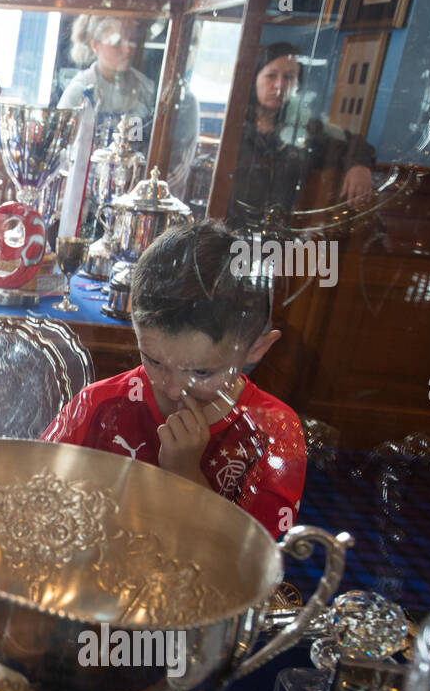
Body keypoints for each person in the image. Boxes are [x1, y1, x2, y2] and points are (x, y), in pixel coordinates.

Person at [41, 220, 306, 537]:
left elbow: (250, 561)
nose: (172, 388)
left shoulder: (274, 433)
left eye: (201, 372)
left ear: (256, 348)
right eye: (153, 360)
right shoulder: (98, 405)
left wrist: (185, 473)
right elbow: (35, 492)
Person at [226, 42, 375, 233]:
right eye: (271, 76)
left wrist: (360, 166)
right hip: (231, 234)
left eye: (288, 77)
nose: (279, 85)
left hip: (279, 238)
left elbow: (352, 143)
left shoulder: (306, 129)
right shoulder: (234, 127)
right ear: (255, 78)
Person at [57, 13, 198, 199]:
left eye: (131, 41)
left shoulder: (147, 90)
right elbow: (60, 150)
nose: (127, 49)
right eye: (115, 41)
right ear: (95, 45)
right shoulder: (80, 91)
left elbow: (159, 153)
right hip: (83, 200)